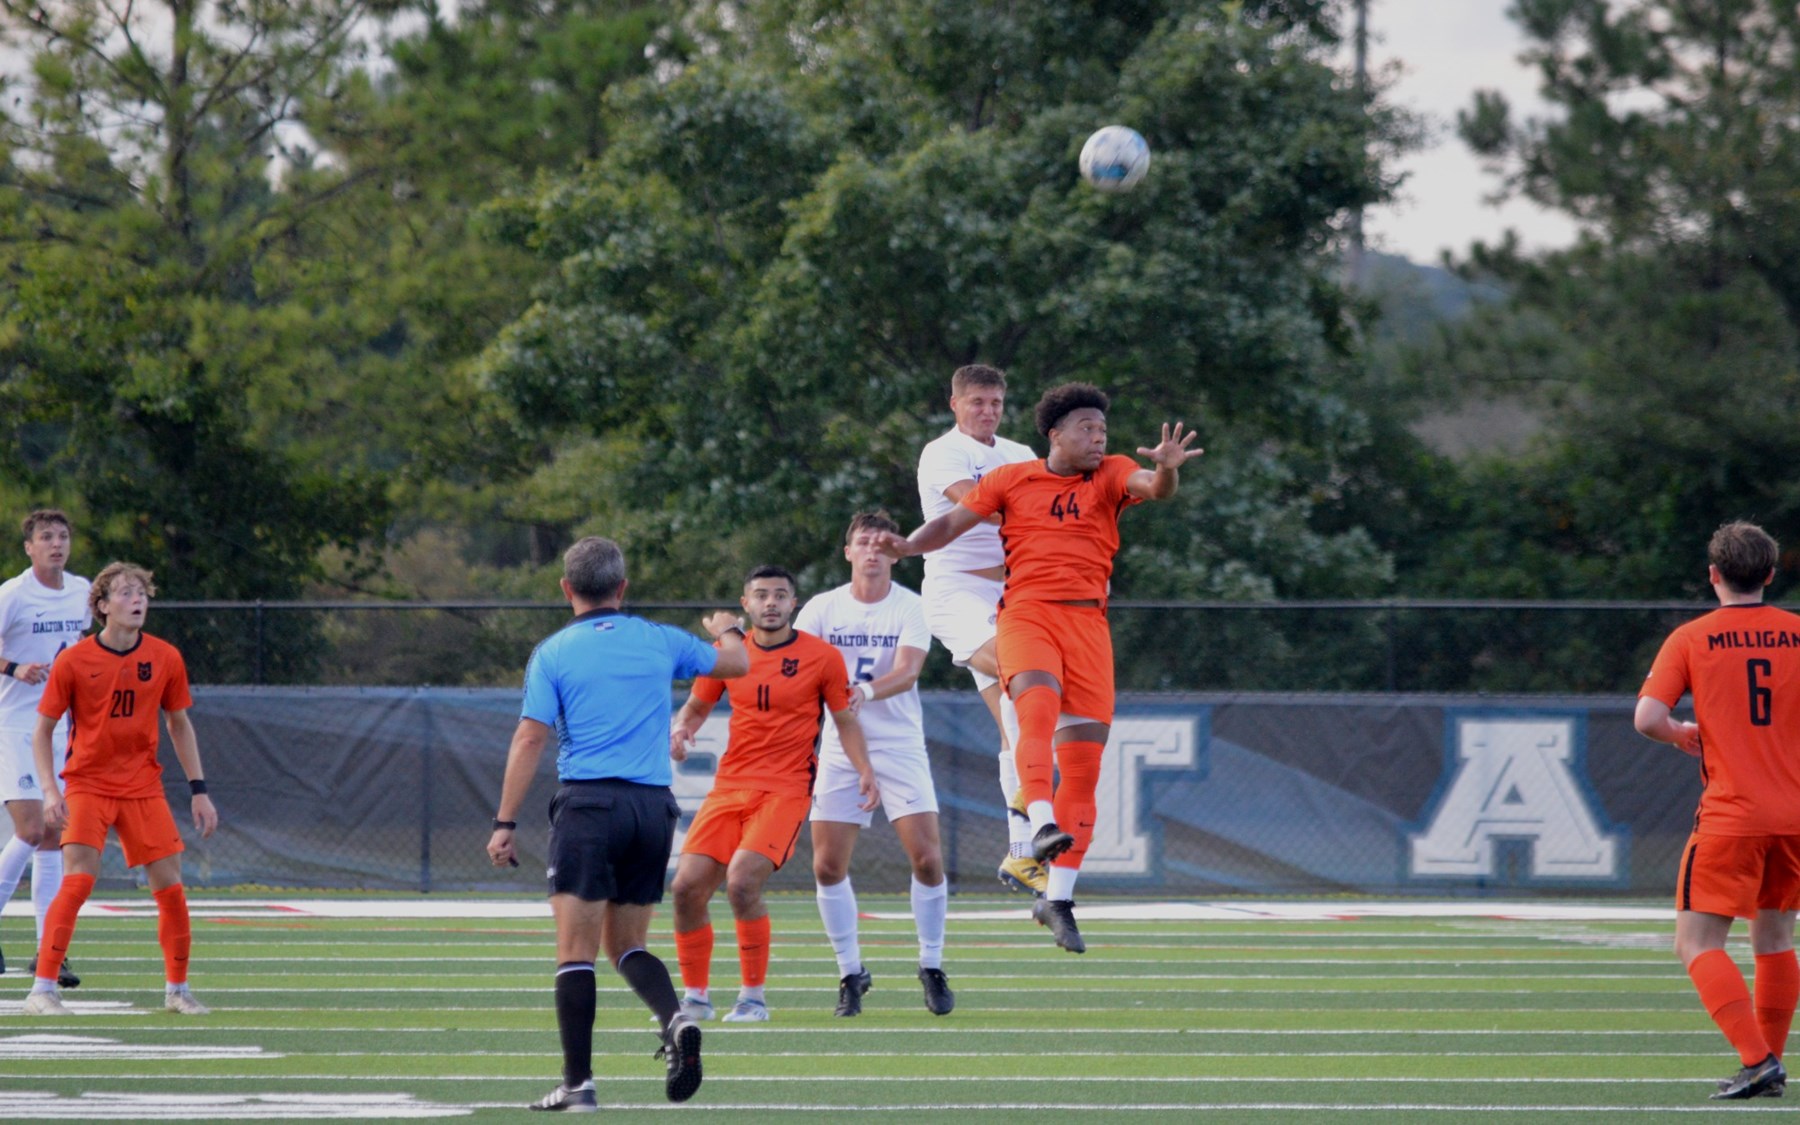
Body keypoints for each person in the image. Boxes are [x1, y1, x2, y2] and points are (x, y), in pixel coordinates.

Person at [878, 382, 1200, 954]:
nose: (1099, 439)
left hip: (1089, 626)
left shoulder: (1112, 473)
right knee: (1032, 707)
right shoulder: (1011, 479)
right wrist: (905, 546)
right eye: (1087, 429)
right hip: (1026, 613)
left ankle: (1057, 899)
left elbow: (1154, 487)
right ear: (1055, 434)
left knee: (1082, 767)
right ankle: (1038, 826)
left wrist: (1169, 470)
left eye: (1103, 430)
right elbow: (950, 525)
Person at [486, 536, 748, 1112]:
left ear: (566, 589)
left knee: (575, 952)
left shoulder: (553, 652)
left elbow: (530, 737)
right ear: (623, 588)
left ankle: (578, 1084)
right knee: (627, 944)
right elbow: (738, 662)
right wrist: (728, 626)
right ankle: (675, 1016)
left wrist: (505, 821)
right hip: (652, 811)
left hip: (589, 807)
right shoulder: (659, 639)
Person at [668, 565, 879, 1024]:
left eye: (780, 595)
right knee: (685, 888)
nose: (770, 603)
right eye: (761, 595)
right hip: (729, 785)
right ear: (746, 605)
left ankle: (752, 998)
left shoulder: (820, 657)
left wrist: (865, 770)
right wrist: (682, 727)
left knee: (742, 882)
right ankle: (697, 997)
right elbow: (698, 704)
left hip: (786, 787)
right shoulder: (728, 653)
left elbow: (844, 719)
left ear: (793, 604)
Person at [1636, 521, 1800, 1101]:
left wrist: (1682, 733)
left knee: (1697, 943)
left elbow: (1648, 718)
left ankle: (1757, 1061)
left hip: (1733, 813)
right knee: (1775, 938)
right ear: (1770, 575)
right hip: (1795, 815)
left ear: (1713, 575)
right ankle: (1771, 1062)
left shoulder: (1691, 637)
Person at [24, 562, 217, 1016]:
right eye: (126, 593)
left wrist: (199, 789)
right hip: (89, 784)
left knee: (171, 888)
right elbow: (42, 731)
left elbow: (178, 723)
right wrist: (51, 793)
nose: (138, 600)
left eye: (143, 593)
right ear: (102, 606)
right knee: (78, 880)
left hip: (143, 786)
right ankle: (42, 988)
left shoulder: (166, 656)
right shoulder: (73, 660)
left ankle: (178, 990)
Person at [796, 512, 953, 1017]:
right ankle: (850, 972)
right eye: (862, 542)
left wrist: (859, 691)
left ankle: (931, 964)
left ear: (895, 552)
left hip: (898, 743)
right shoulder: (822, 608)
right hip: (842, 745)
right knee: (826, 863)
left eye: (882, 544)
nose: (871, 551)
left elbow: (907, 671)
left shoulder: (910, 606)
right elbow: (792, 665)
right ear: (847, 553)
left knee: (927, 859)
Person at [915, 364, 1046, 897]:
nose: (987, 411)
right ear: (955, 403)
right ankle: (1034, 831)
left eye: (994, 402)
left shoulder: (1018, 454)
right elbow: (979, 506)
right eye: (977, 402)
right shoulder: (942, 451)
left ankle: (1022, 854)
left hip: (1010, 597)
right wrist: (1043, 510)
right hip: (957, 592)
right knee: (1029, 677)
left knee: (1021, 725)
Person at [0, 510, 89, 985]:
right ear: (29, 547)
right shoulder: (13, 594)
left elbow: (94, 646)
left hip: (62, 730)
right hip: (16, 726)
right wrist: (14, 667)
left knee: (55, 835)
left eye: (63, 536)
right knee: (32, 829)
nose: (56, 544)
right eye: (46, 537)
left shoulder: (81, 592)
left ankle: (47, 952)